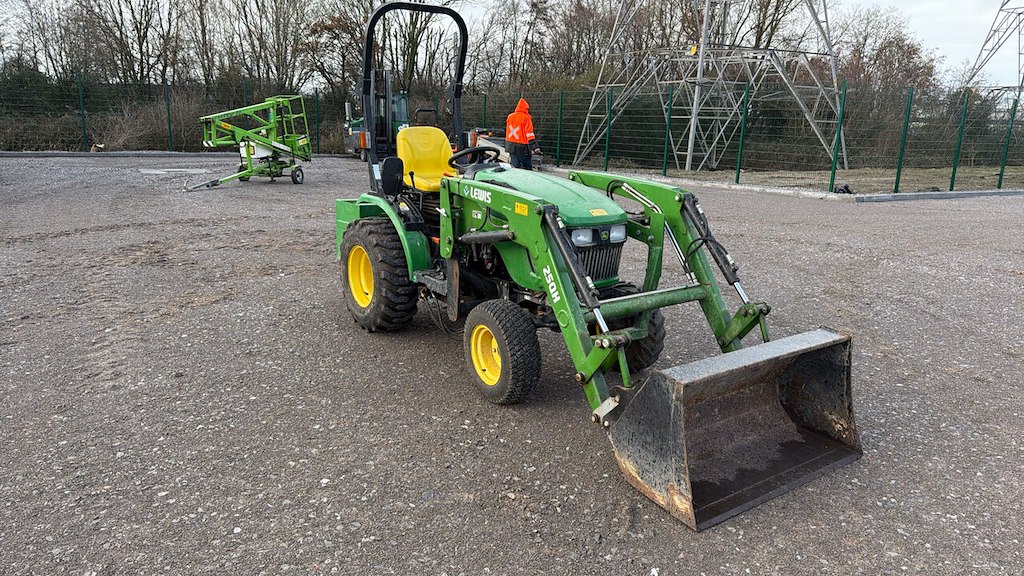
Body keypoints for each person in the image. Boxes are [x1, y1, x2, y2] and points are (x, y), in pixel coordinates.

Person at [505, 98, 541, 169]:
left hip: (511, 146)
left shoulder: (510, 117)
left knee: (515, 168)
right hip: (523, 147)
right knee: (527, 168)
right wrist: (535, 147)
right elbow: (529, 134)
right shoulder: (526, 118)